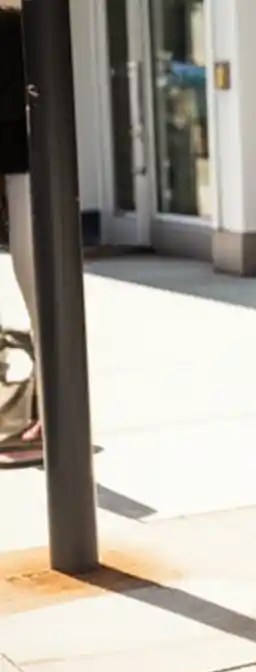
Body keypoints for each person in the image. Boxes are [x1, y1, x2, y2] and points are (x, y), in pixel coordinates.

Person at [1, 2, 43, 466]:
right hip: (19, 172)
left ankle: (48, 420)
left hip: (26, 174)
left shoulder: (18, 25)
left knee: (43, 302)